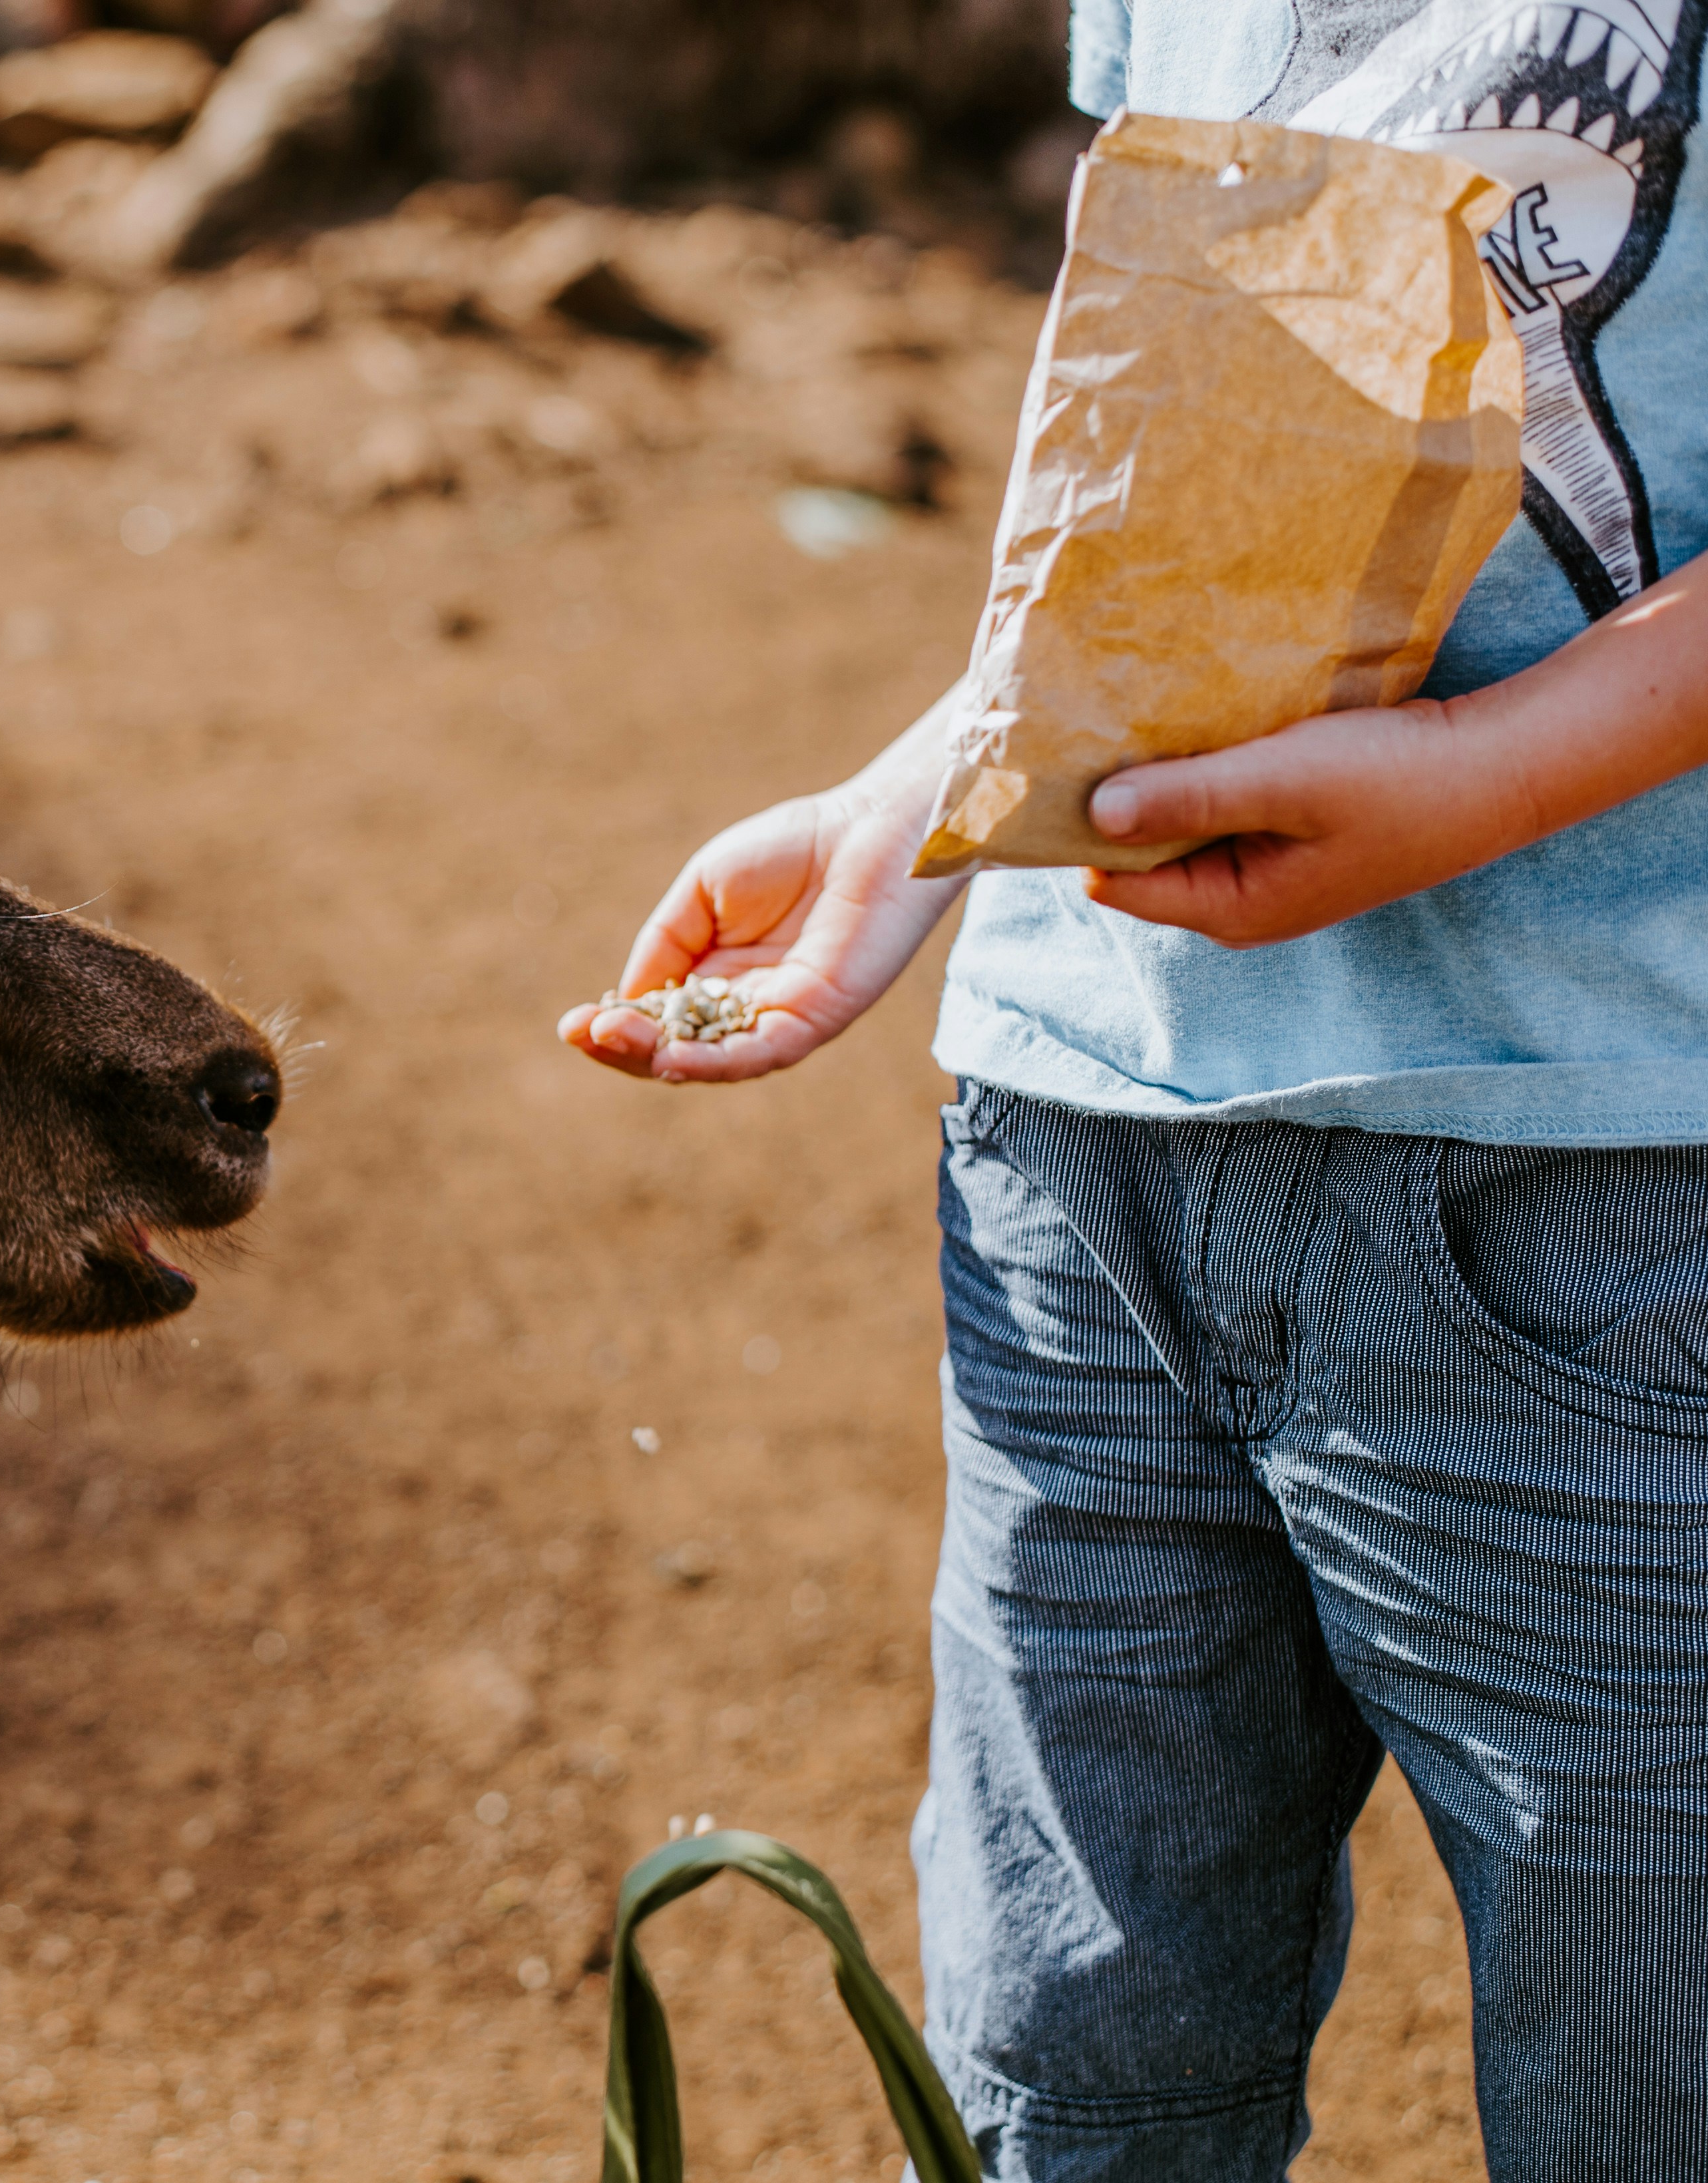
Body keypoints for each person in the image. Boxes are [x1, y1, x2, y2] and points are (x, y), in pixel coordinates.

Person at [560, 5, 1708, 2176]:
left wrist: (1486, 776)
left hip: (1628, 1182)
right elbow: (1180, 427)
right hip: (1076, 1150)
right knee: (1071, 2092)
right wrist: (923, 803)